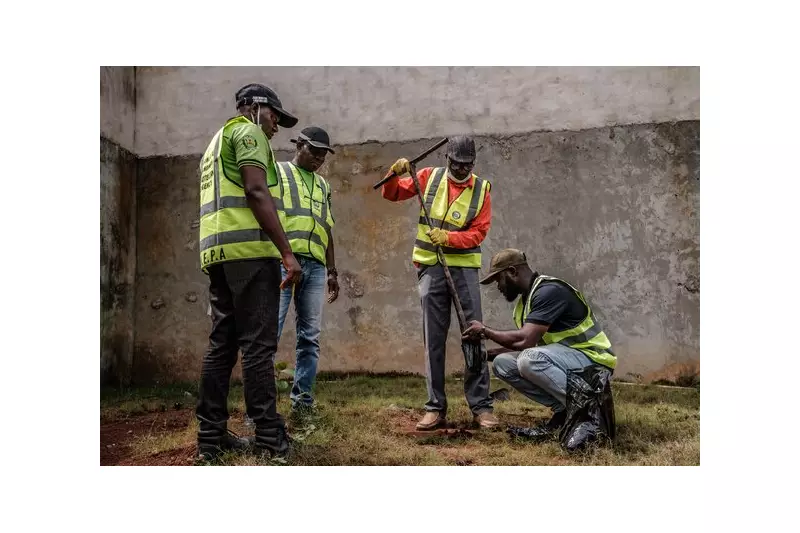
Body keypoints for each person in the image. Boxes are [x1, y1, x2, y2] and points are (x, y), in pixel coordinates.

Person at [195, 83, 302, 461]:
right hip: (250, 255)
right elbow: (257, 191)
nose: (276, 127)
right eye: (275, 116)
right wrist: (287, 252)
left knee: (222, 344)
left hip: (220, 253)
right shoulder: (248, 132)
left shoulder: (215, 142)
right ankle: (270, 437)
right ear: (255, 108)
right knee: (258, 346)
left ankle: (210, 437)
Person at [381, 136, 499, 430]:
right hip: (431, 269)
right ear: (447, 158)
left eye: (467, 165)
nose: (461, 169)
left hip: (465, 272)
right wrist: (393, 172)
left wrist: (449, 238)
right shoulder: (427, 177)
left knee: (473, 335)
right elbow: (392, 194)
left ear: (473, 162)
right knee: (433, 338)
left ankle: (481, 407)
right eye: (456, 164)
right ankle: (435, 407)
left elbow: (479, 232)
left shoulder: (481, 189)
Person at [462, 248, 617, 440]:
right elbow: (526, 344)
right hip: (569, 360)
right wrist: (486, 356)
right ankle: (564, 410)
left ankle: (589, 408)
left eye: (498, 279)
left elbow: (525, 341)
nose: (498, 287)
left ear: (512, 271)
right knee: (503, 363)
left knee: (529, 360)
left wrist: (485, 331)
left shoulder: (549, 291)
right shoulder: (524, 304)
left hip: (593, 361)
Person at [268, 127, 340, 420]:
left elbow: (327, 227)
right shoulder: (278, 172)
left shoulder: (324, 186)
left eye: (324, 154)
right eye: (315, 151)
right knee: (268, 334)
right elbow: (267, 213)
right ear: (299, 145)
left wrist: (332, 270)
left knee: (310, 337)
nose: (320, 158)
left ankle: (303, 403)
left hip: (315, 266)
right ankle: (260, 407)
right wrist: (284, 257)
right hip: (283, 262)